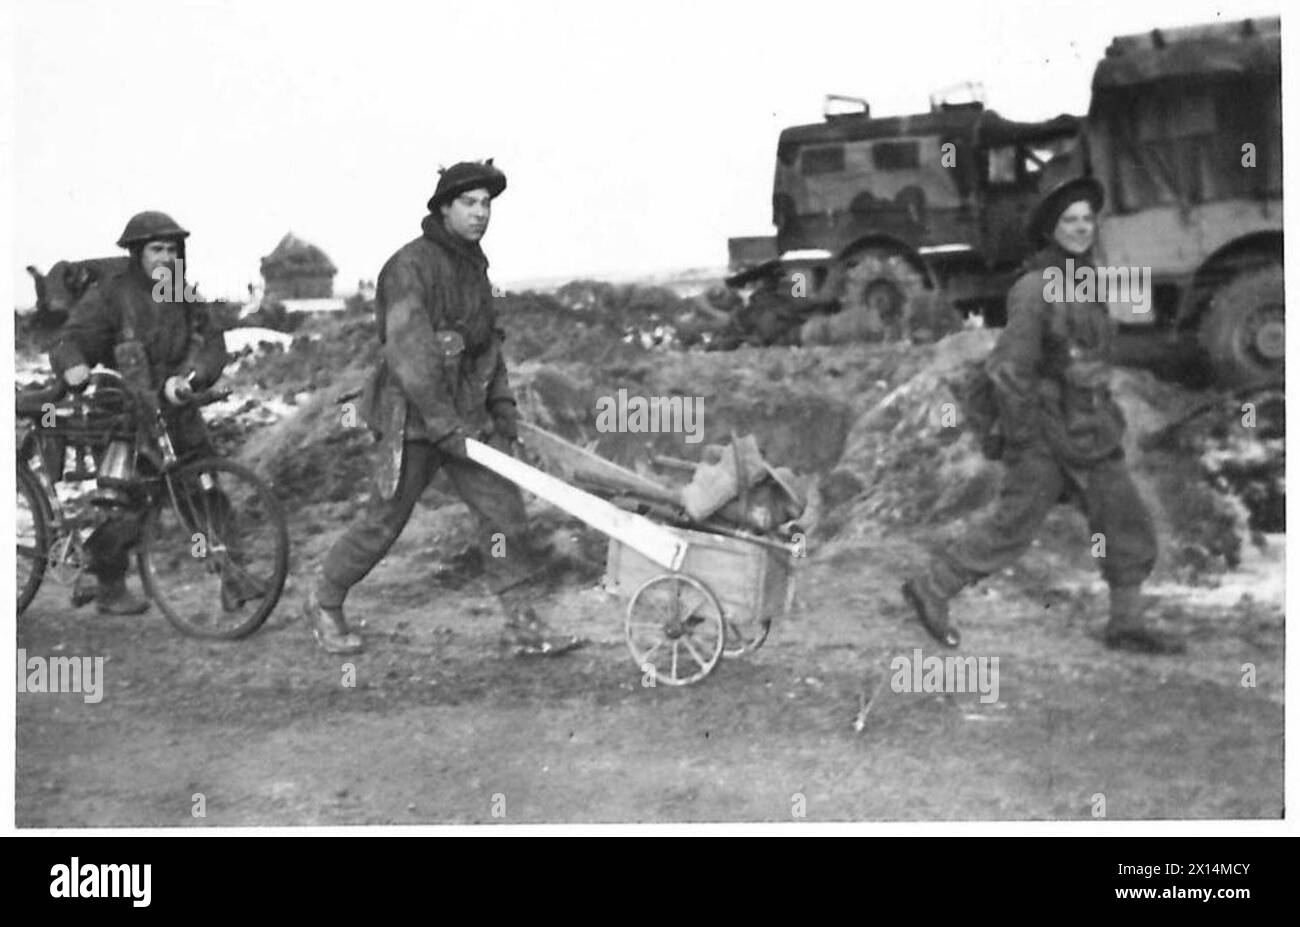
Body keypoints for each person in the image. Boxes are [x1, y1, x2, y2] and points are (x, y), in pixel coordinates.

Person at [303, 160, 582, 657]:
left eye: (487, 204)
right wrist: (441, 423)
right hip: (410, 419)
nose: (481, 214)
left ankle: (521, 621)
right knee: (384, 521)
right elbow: (410, 353)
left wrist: (501, 404)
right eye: (470, 204)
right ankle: (324, 600)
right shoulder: (409, 267)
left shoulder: (474, 267)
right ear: (443, 208)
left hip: (466, 418)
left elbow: (486, 345)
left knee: (503, 513)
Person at [901, 173, 1184, 655]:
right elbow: (1009, 369)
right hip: (1046, 431)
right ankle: (932, 587)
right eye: (1069, 220)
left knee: (1124, 518)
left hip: (1092, 429)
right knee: (1013, 525)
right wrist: (1023, 436)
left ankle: (1126, 622)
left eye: (1087, 219)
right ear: (1052, 230)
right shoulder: (1034, 287)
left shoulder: (1088, 279)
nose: (1081, 228)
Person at [49, 211, 247, 614]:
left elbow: (213, 343)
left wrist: (192, 380)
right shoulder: (111, 294)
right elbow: (71, 340)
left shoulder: (184, 294)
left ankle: (234, 577)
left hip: (178, 412)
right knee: (127, 504)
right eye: (156, 248)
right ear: (137, 253)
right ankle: (106, 582)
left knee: (206, 490)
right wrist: (73, 365)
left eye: (172, 249)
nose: (165, 256)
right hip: (128, 416)